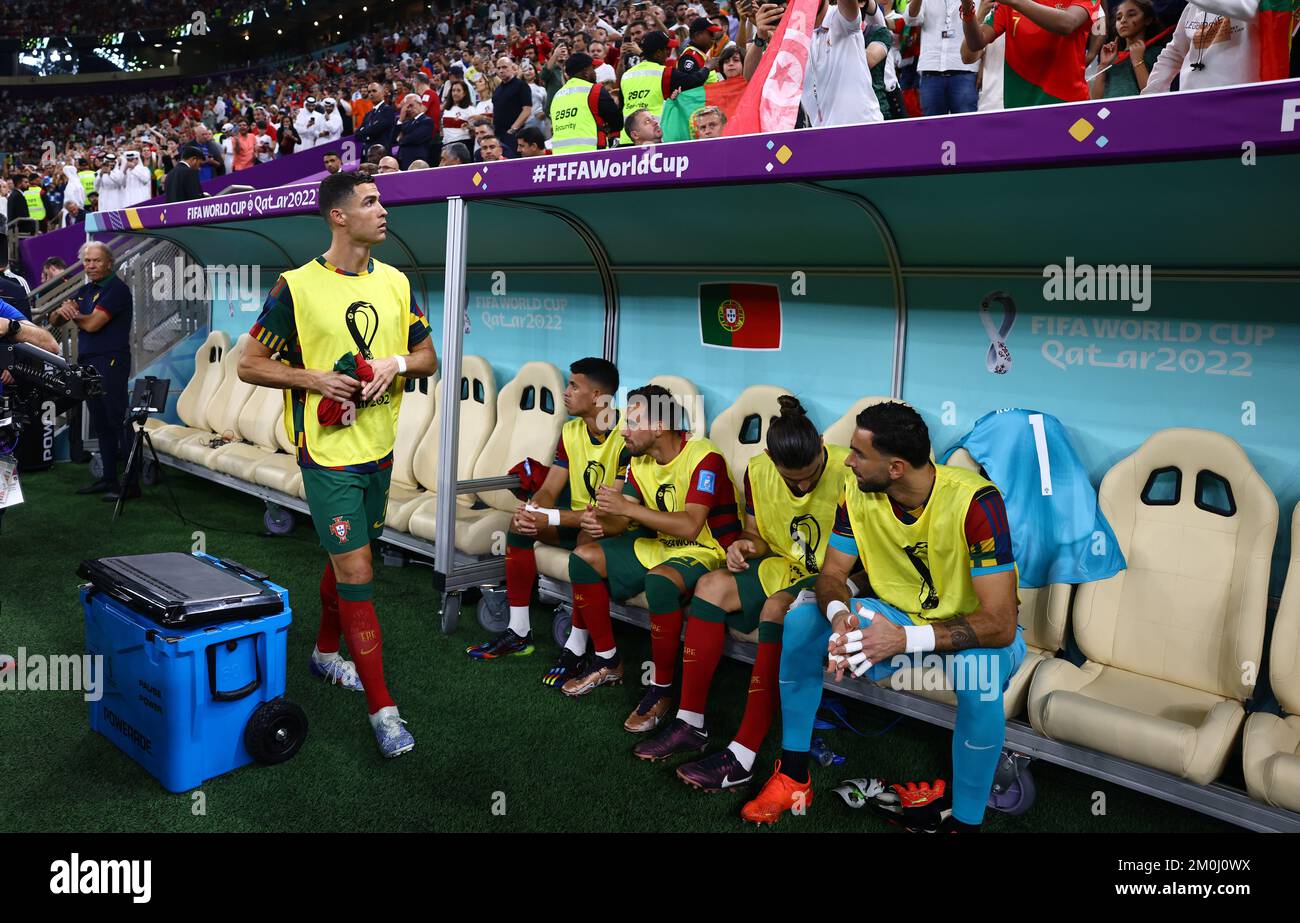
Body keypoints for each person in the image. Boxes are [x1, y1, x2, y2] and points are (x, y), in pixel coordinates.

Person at [742, 402, 1023, 830]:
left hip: (967, 629)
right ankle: (794, 777)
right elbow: (831, 576)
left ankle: (965, 821)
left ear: (895, 467)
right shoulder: (856, 491)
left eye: (858, 453)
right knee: (800, 622)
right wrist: (839, 616)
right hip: (893, 615)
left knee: (978, 674)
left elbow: (1000, 624)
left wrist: (904, 639)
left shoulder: (976, 501)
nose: (848, 461)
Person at [237, 171, 439, 758]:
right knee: (356, 570)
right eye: (371, 202)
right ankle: (383, 709)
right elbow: (249, 364)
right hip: (326, 456)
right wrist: (315, 379)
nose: (384, 210)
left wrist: (394, 364)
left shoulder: (396, 282)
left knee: (350, 558)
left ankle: (325, 653)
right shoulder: (296, 286)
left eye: (382, 201)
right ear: (339, 216)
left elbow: (428, 356)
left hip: (379, 450)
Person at [634, 398, 849, 788]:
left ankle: (743, 755)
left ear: (821, 444)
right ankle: (690, 723)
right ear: (770, 457)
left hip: (834, 574)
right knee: (711, 585)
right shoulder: (758, 470)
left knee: (777, 608)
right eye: (792, 480)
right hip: (783, 563)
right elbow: (756, 535)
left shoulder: (849, 471)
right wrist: (744, 546)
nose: (802, 486)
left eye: (810, 475)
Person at [562, 385, 740, 734]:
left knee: (660, 582)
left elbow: (691, 526)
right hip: (661, 545)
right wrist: (601, 521)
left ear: (659, 426)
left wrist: (627, 510)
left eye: (632, 422)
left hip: (708, 550)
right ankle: (607, 659)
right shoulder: (637, 458)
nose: (623, 430)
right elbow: (621, 519)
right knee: (583, 558)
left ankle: (661, 689)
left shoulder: (705, 457)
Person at [467, 358, 627, 666]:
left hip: (610, 529)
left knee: (587, 539)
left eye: (574, 386)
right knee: (518, 525)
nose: (565, 392)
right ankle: (518, 631)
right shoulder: (571, 431)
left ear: (597, 395)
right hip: (576, 521)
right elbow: (551, 488)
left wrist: (550, 516)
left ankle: (576, 646)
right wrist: (533, 509)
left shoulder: (627, 437)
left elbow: (611, 515)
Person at [48, 241, 139, 501]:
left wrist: (74, 314)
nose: (91, 265)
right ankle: (109, 479)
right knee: (101, 423)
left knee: (118, 421)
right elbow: (54, 320)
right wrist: (61, 311)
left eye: (96, 260)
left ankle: (131, 485)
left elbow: (92, 325)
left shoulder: (116, 289)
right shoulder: (86, 290)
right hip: (89, 363)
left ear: (109, 262)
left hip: (110, 362)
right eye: (87, 261)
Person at [961, 0, 1097, 107]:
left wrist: (1015, 1)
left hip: (1069, 105)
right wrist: (968, 10)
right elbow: (975, 44)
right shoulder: (1006, 6)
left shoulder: (1012, 2)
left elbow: (1068, 23)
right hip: (1020, 109)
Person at [1142, 0, 1272, 94]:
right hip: (1191, 101)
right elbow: (1174, 54)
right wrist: (1151, 94)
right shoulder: (1193, 7)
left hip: (1239, 99)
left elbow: (1249, 9)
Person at [803, 0, 885, 126]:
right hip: (821, 134)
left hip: (864, 128)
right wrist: (766, 42)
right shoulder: (792, 36)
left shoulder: (840, 17)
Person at [618, 30, 705, 144]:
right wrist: (707, 67)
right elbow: (696, 80)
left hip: (628, 139)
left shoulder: (626, 75)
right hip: (655, 138)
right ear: (658, 53)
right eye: (667, 49)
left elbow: (621, 107)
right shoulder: (665, 73)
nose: (669, 53)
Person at [906, 0, 981, 114]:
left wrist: (984, 66)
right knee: (933, 124)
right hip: (931, 70)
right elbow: (910, 19)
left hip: (965, 70)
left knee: (966, 123)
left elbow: (984, 29)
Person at [1090, 0, 1170, 97]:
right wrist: (1103, 65)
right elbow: (1096, 99)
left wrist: (1138, 61)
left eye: (1131, 15)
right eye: (1118, 18)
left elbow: (1153, 96)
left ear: (1147, 20)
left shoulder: (1158, 53)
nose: (1123, 20)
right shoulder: (1112, 57)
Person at [549, 52, 625, 154]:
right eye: (592, 69)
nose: (595, 73)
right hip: (591, 155)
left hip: (560, 156)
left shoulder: (557, 96)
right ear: (586, 72)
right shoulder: (595, 90)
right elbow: (617, 123)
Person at [491, 57, 534, 157]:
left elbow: (527, 110)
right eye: (499, 68)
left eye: (504, 67)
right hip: (498, 135)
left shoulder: (521, 85)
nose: (501, 70)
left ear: (512, 68)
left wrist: (512, 129)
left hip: (514, 135)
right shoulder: (497, 89)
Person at [395, 94, 437, 169]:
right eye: (407, 107)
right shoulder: (407, 122)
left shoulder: (427, 121)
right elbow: (394, 137)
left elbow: (415, 138)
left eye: (411, 105)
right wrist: (400, 120)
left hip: (417, 160)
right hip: (403, 159)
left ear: (419, 104)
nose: (409, 109)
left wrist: (400, 139)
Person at [356, 82, 399, 154]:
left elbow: (376, 129)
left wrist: (364, 131)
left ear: (382, 93)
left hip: (382, 154)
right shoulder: (368, 114)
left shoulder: (388, 110)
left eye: (374, 91)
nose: (371, 94)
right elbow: (358, 134)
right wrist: (368, 130)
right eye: (369, 92)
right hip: (368, 154)